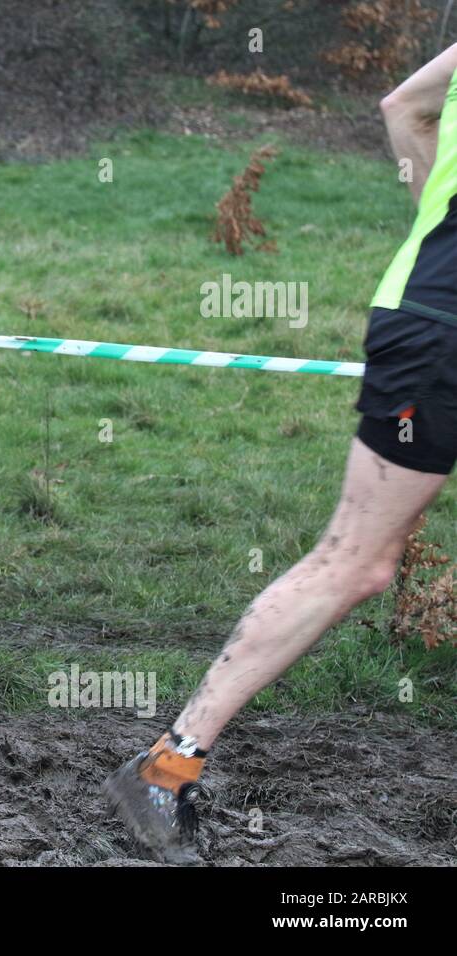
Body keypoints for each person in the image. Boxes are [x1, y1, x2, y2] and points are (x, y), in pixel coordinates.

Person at [103, 44, 457, 863]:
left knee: (357, 560)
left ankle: (166, 765)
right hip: (440, 335)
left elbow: (401, 107)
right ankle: (165, 765)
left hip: (423, 313)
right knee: (354, 560)